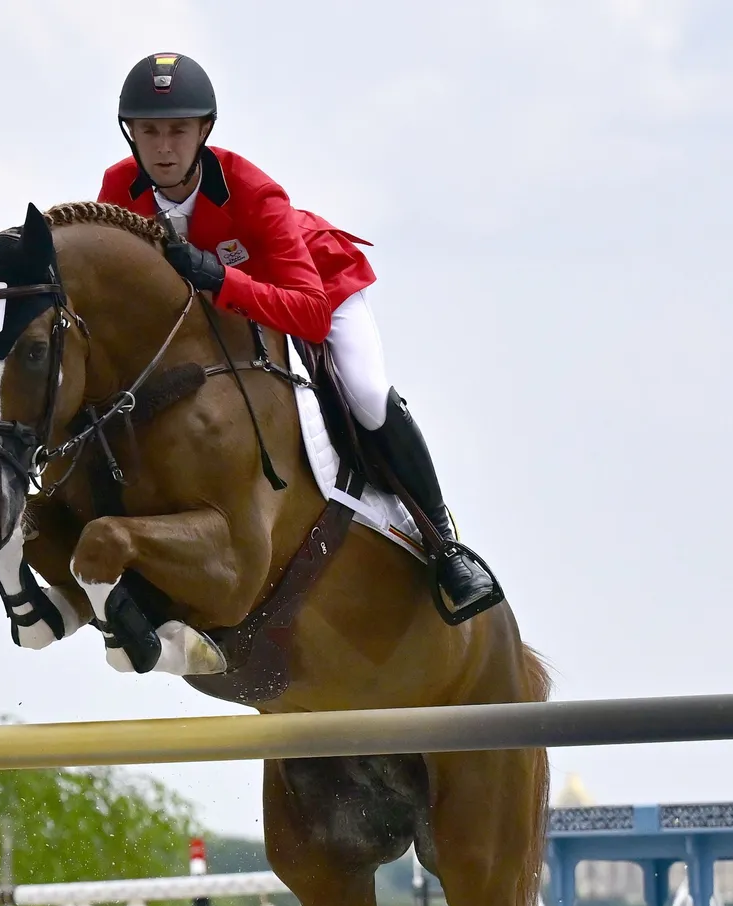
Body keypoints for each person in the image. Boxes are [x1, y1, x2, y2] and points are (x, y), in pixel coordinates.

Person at [99, 53, 502, 623]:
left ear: (204, 131)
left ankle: (445, 544)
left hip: (319, 287)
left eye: (177, 131)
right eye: (149, 131)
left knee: (364, 393)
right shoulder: (118, 188)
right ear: (130, 133)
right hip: (229, 310)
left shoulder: (252, 189)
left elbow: (309, 313)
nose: (163, 147)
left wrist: (218, 278)